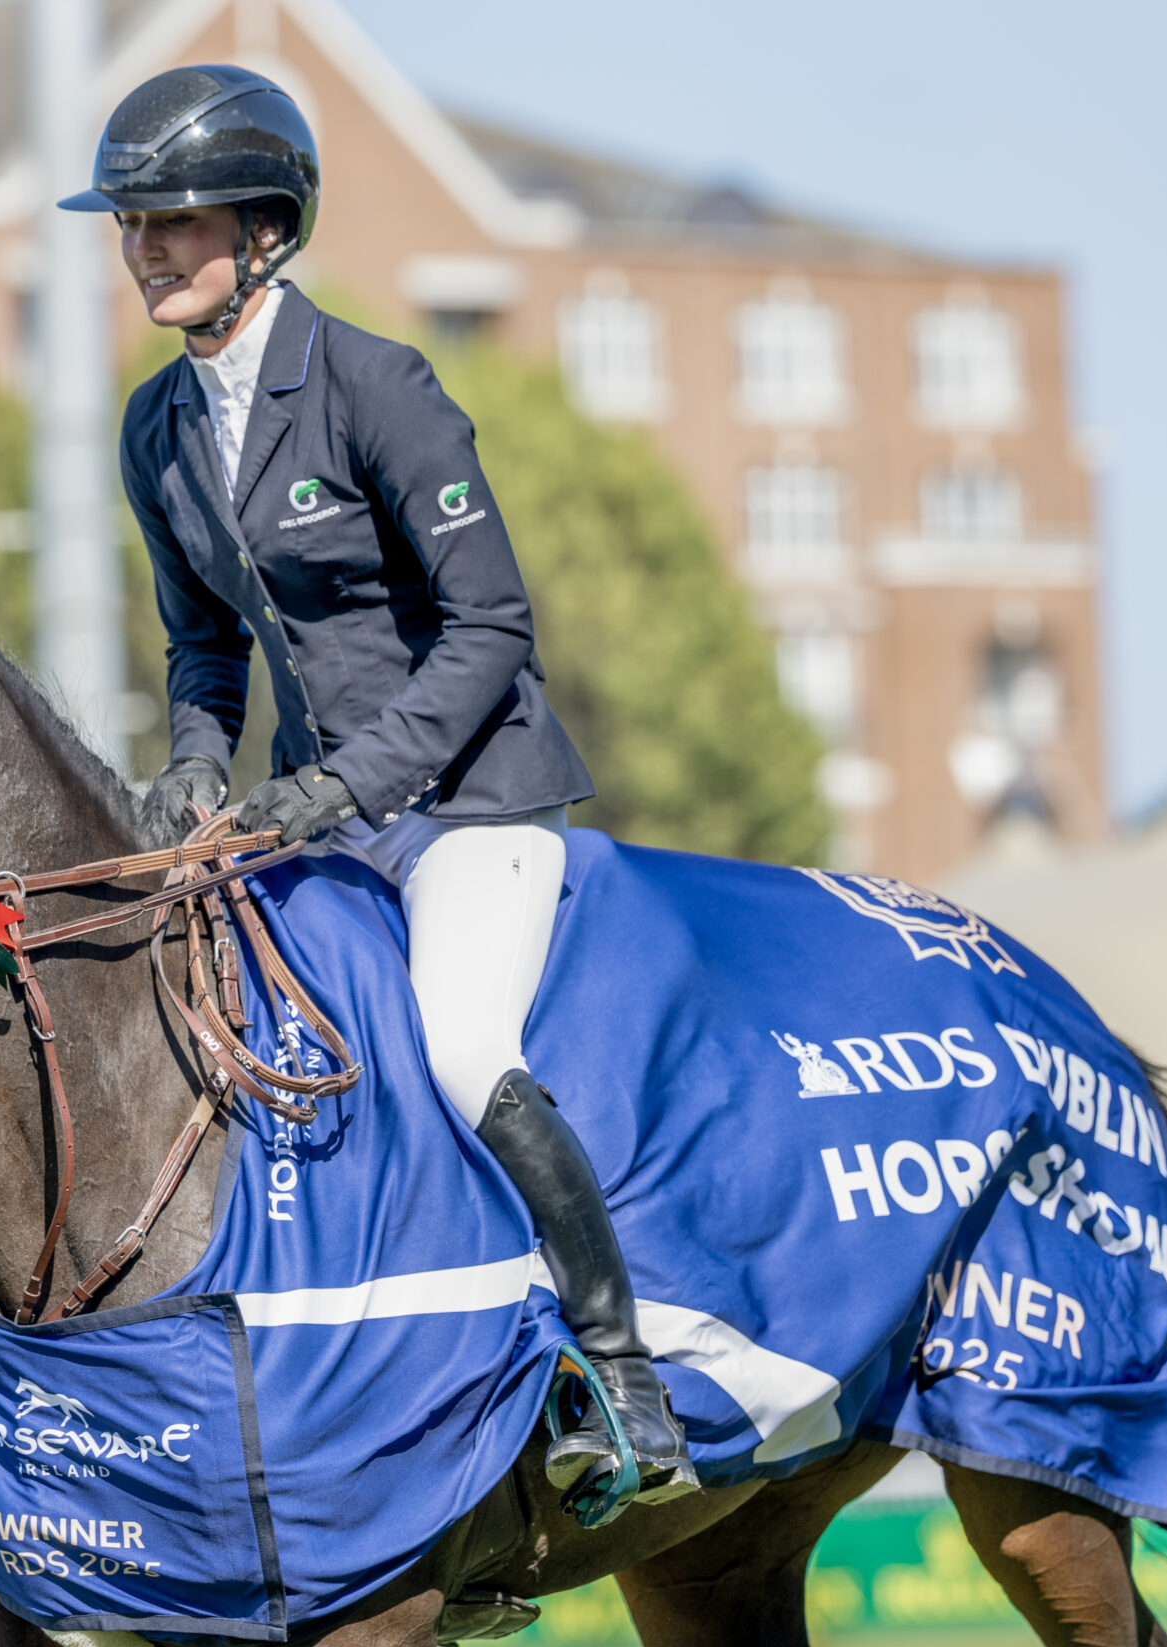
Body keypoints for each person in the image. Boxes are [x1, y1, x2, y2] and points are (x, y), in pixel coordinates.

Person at [59, 64, 694, 1517]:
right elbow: (203, 643)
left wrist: (343, 788)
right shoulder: (155, 430)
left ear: (265, 230)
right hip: (309, 807)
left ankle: (622, 1379)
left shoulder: (377, 385)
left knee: (461, 1050)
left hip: (470, 801)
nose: (145, 246)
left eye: (174, 219)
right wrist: (202, 766)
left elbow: (492, 628)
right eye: (130, 225)